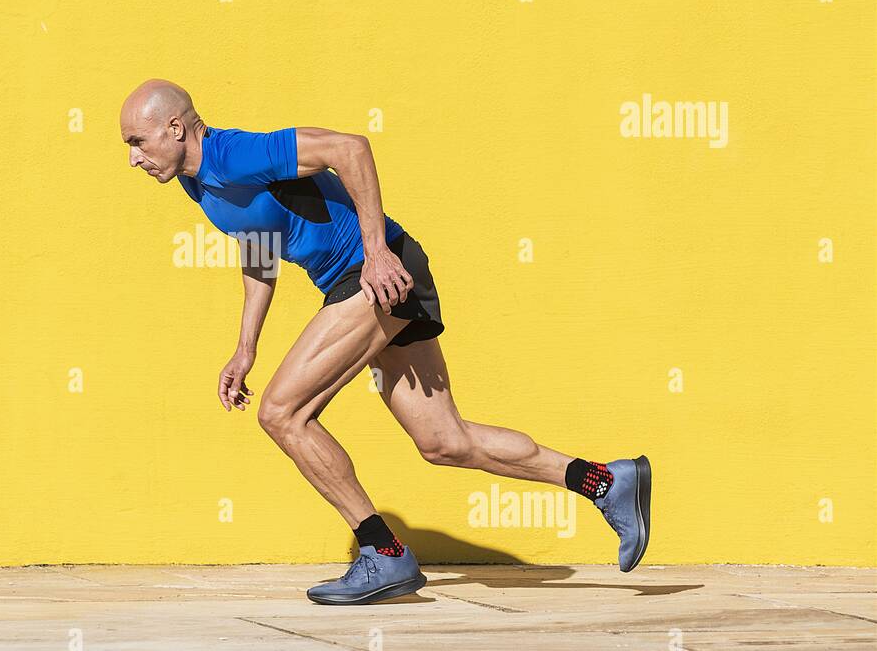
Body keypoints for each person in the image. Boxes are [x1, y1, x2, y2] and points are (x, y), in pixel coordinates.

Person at [120, 78, 651, 605]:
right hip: (373, 281)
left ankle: (383, 551)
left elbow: (350, 148)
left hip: (377, 275)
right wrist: (245, 348)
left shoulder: (233, 154)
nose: (133, 159)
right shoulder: (198, 184)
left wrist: (376, 253)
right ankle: (607, 482)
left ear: (176, 129)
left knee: (283, 413)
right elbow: (259, 246)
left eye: (137, 142)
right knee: (444, 442)